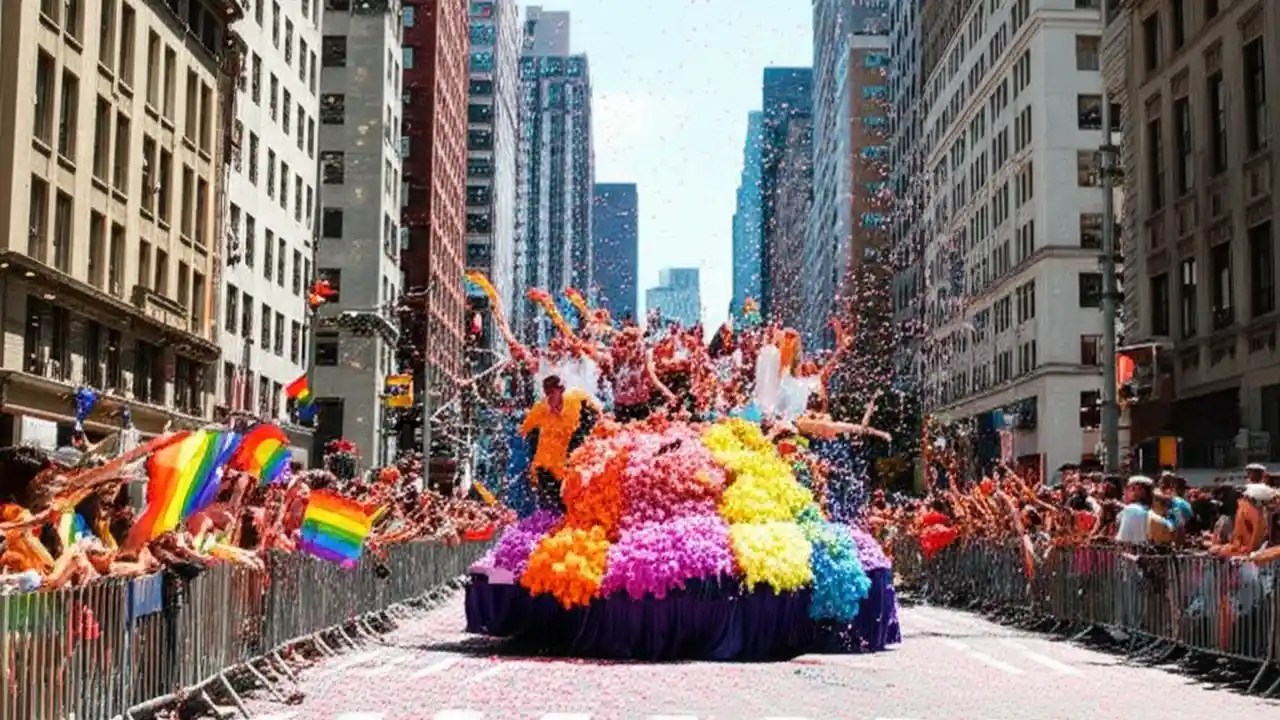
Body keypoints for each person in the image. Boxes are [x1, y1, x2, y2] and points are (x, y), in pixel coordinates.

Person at [520, 375, 599, 512]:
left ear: (561, 390)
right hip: (546, 467)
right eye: (546, 393)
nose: (549, 398)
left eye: (552, 393)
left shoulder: (575, 399)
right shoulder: (541, 408)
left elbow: (595, 411)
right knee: (552, 507)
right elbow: (523, 430)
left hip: (567, 464)